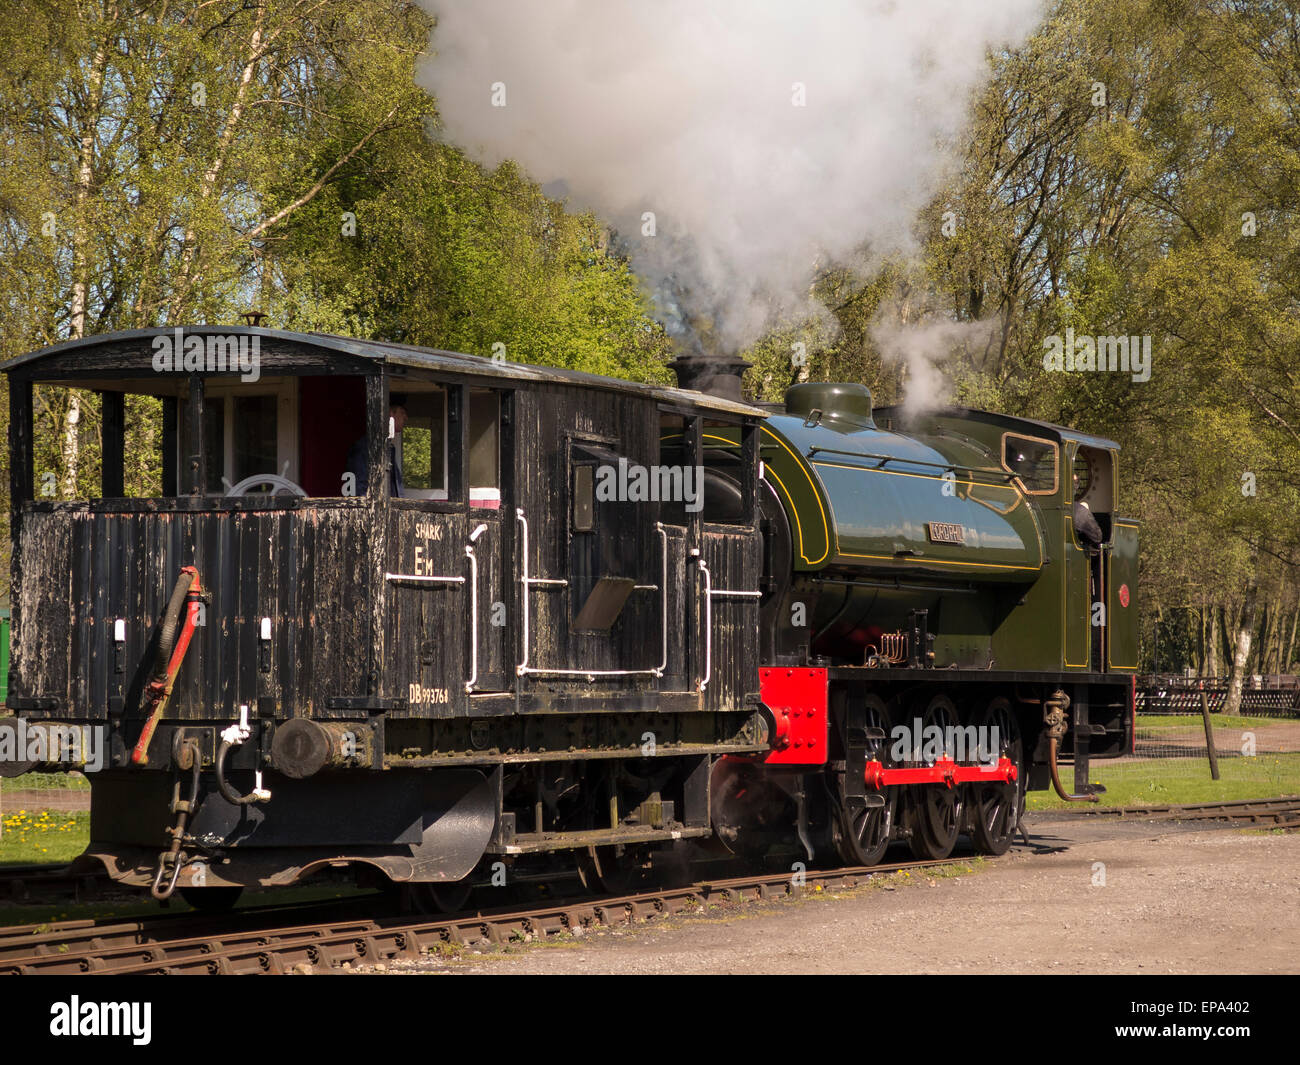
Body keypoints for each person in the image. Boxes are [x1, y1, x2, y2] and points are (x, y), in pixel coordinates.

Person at [345, 393, 407, 497]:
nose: (406, 417)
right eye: (402, 412)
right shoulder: (366, 447)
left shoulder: (388, 447)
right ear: (390, 414)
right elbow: (359, 486)